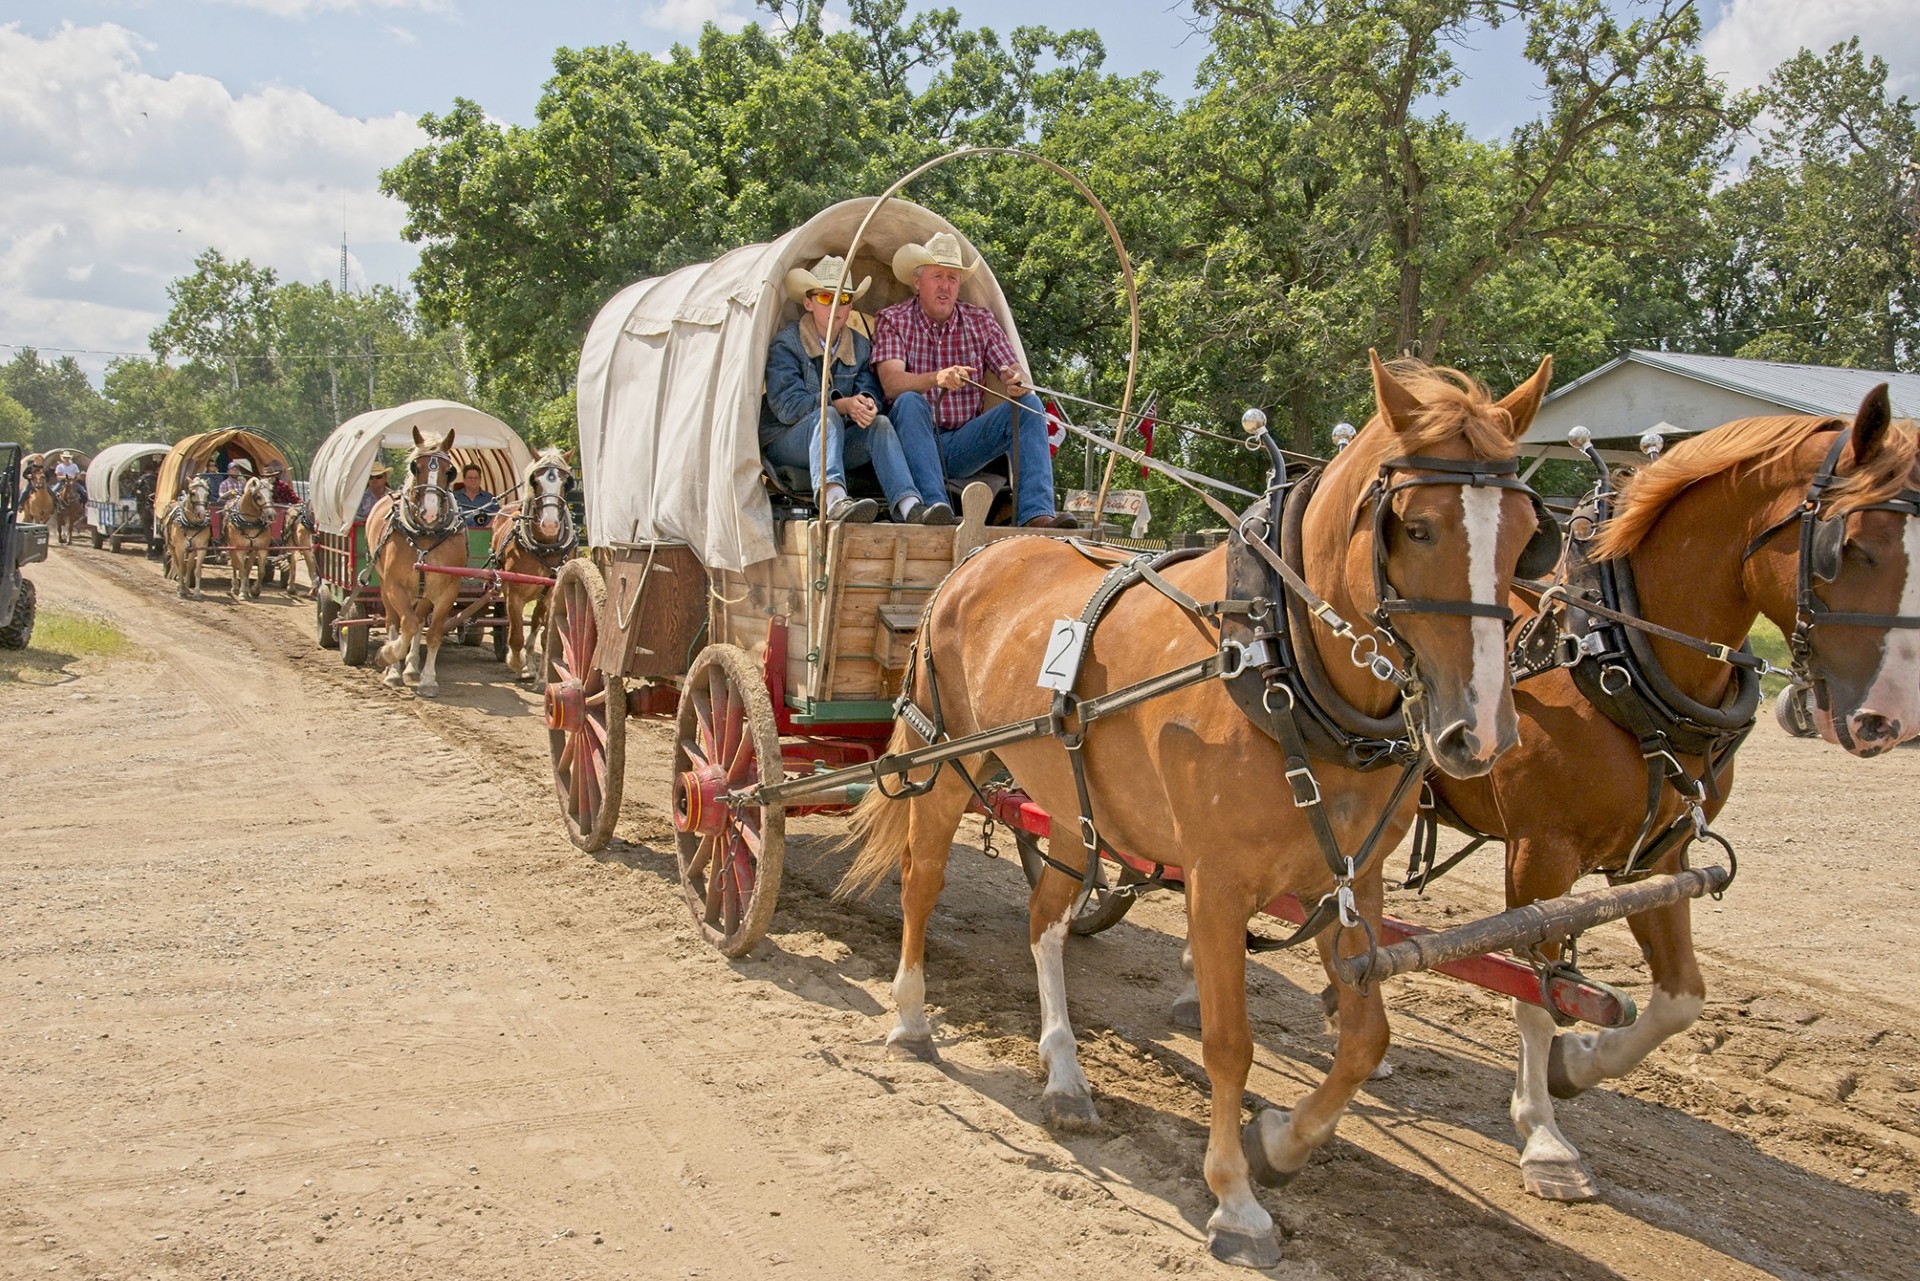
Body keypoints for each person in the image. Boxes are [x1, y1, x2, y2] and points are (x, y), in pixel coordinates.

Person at [871, 232, 1074, 529]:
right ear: (917, 282)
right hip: (913, 441)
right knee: (910, 402)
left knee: (1028, 405)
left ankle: (1035, 514)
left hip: (963, 443)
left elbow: (1014, 367)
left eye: (953, 278)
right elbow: (891, 383)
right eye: (937, 276)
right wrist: (936, 378)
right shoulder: (893, 319)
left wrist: (1016, 377)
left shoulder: (980, 321)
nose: (945, 286)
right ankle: (936, 509)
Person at [762, 255, 950, 525]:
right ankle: (835, 500)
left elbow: (869, 391)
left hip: (837, 440)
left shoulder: (861, 346)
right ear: (808, 303)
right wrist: (841, 405)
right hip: (787, 441)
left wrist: (867, 404)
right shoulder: (787, 344)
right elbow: (786, 407)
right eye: (826, 298)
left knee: (882, 423)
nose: (836, 306)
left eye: (844, 299)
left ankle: (911, 507)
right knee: (826, 417)